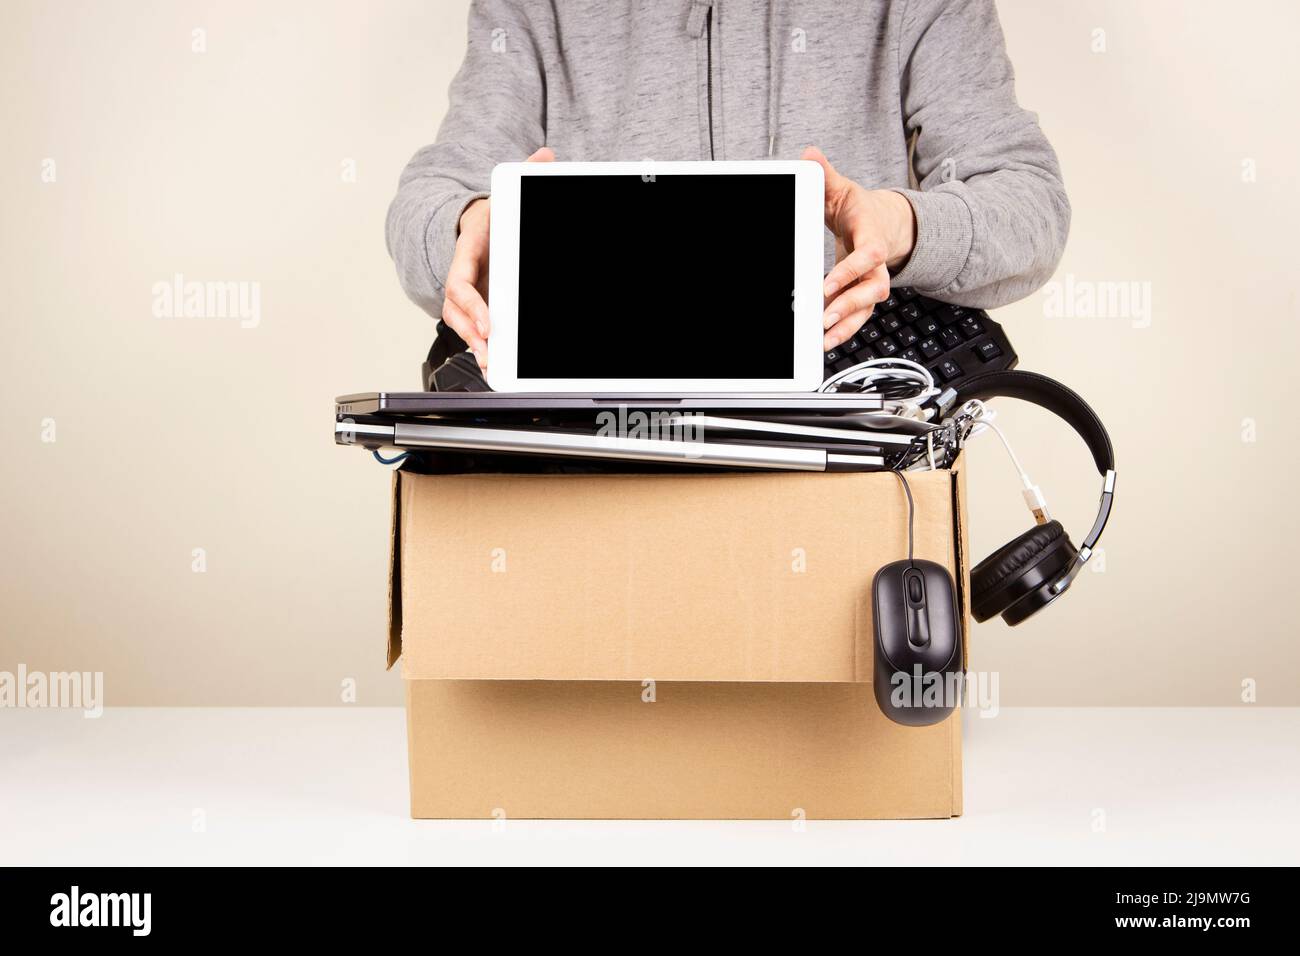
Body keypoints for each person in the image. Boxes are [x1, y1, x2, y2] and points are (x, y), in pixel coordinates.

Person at [387, 0, 1068, 374]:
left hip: (843, 444)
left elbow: (1029, 205)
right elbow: (428, 198)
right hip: (589, 456)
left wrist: (898, 227)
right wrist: (468, 230)